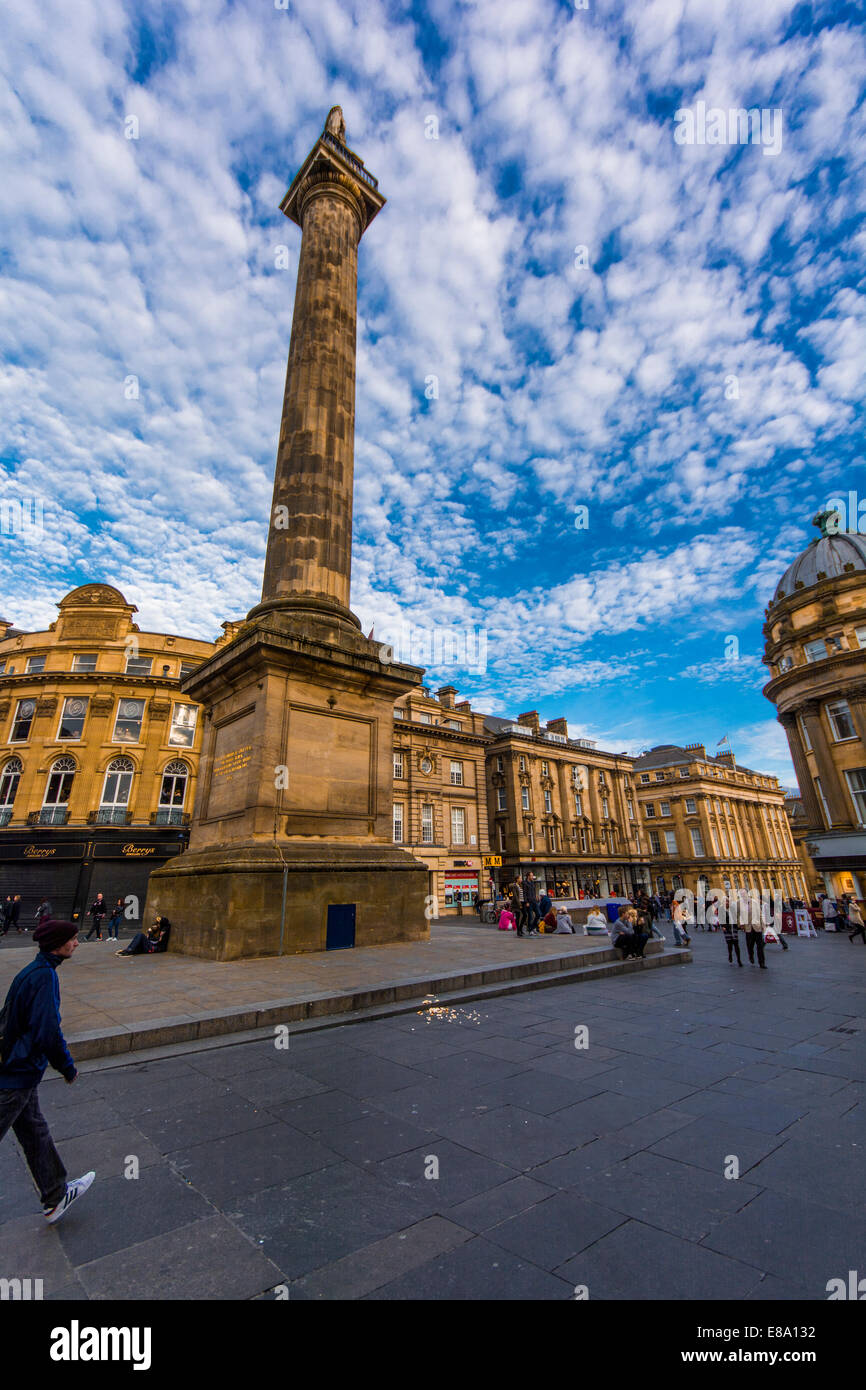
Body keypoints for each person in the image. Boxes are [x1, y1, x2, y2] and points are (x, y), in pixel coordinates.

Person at [0, 919, 96, 1223]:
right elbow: (48, 1032)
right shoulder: (43, 978)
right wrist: (67, 1066)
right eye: (73, 938)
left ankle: (55, 1195)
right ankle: (55, 1194)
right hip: (17, 1073)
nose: (77, 943)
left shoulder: (34, 971)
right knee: (32, 1129)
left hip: (19, 1070)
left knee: (35, 1131)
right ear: (58, 944)